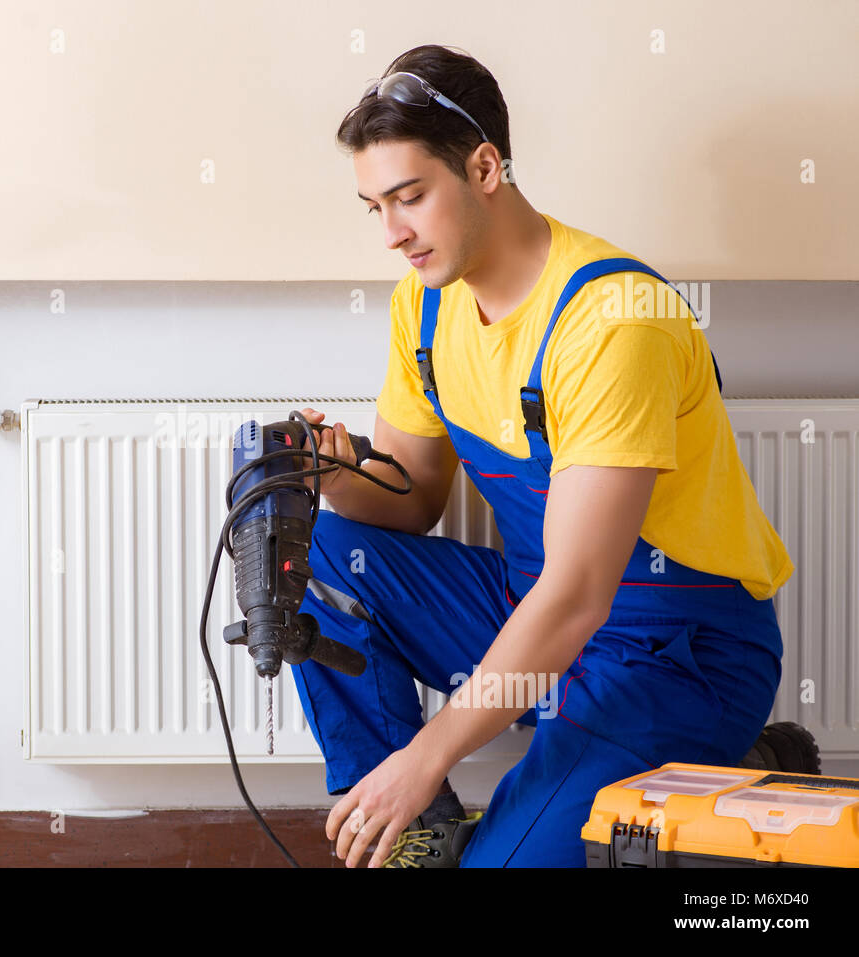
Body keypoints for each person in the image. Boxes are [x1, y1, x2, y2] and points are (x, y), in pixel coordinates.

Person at [292, 44, 793, 868]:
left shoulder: (612, 320)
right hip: (539, 608)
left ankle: (724, 760)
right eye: (374, 205)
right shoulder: (425, 304)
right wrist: (327, 472)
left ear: (485, 167)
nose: (392, 234)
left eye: (410, 196)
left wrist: (424, 758)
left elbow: (577, 597)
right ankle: (423, 828)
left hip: (669, 645)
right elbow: (412, 498)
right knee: (306, 550)